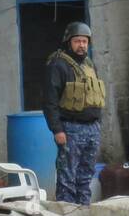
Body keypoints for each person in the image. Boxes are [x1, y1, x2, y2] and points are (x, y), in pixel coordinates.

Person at [43, 21, 106, 205]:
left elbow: (95, 97)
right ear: (68, 42)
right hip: (70, 129)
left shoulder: (89, 65)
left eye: (85, 42)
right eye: (77, 41)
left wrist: (97, 125)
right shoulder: (58, 65)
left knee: (86, 177)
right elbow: (50, 101)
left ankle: (84, 215)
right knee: (67, 178)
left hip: (92, 129)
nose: (81, 45)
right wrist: (57, 130)